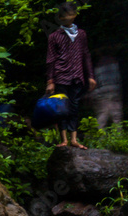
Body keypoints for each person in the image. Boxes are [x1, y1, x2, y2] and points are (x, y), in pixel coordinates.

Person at [45, 2, 96, 149]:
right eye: (66, 18)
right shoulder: (54, 36)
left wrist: (90, 76)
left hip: (77, 76)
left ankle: (74, 139)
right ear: (60, 18)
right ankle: (64, 140)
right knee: (62, 107)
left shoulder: (81, 34)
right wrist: (50, 80)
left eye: (71, 17)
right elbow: (51, 59)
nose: (68, 20)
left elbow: (86, 55)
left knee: (74, 106)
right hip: (61, 76)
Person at [90, 51, 123, 129]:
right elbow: (118, 79)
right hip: (115, 91)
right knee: (116, 116)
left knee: (102, 117)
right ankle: (118, 136)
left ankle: (100, 137)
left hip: (103, 94)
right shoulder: (115, 65)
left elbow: (96, 83)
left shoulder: (98, 68)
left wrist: (94, 94)